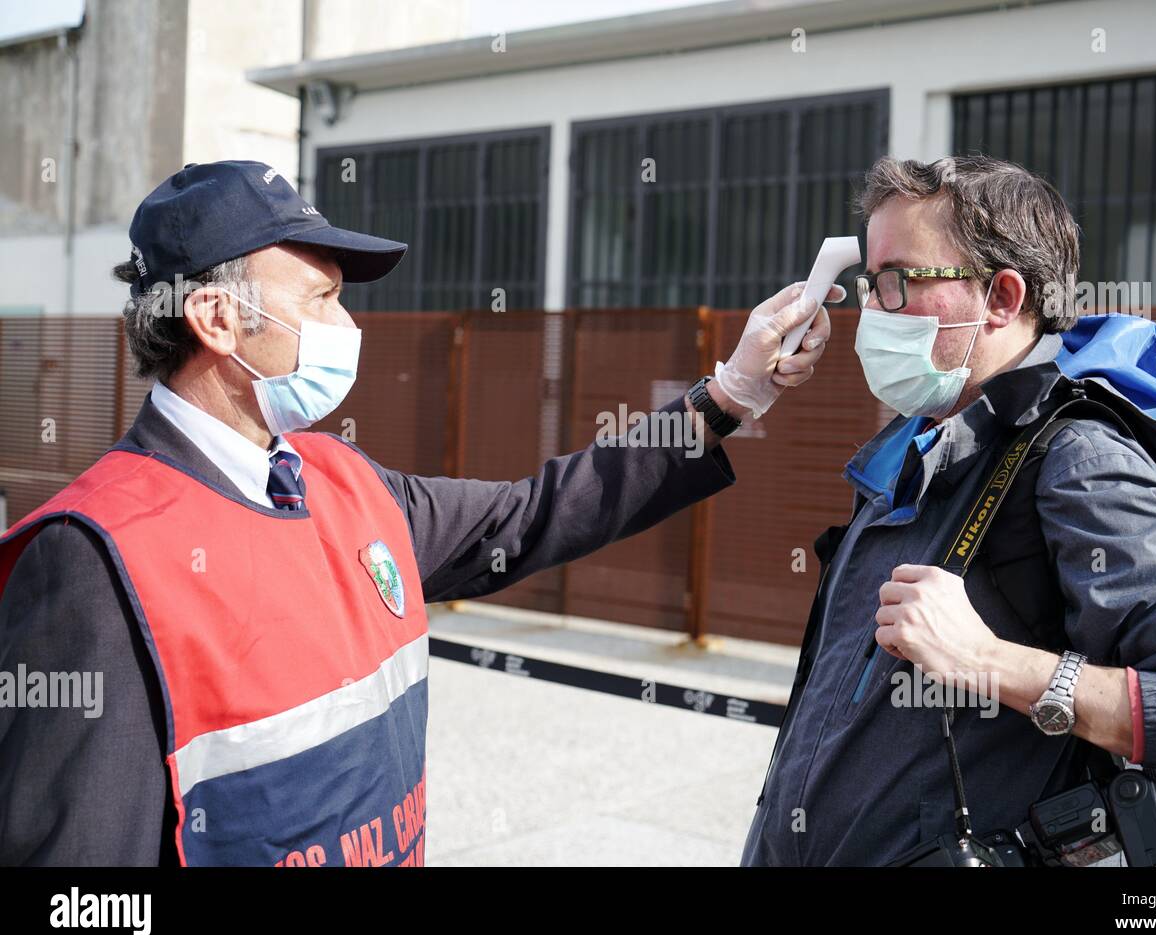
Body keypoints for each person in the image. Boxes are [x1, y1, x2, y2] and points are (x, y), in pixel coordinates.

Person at [0, 160, 838, 865]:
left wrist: (728, 394)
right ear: (217, 318)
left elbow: (534, 514)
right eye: (322, 296)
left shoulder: (343, 483)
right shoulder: (96, 557)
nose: (346, 323)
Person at [741, 154, 1156, 867]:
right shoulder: (914, 448)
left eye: (898, 282)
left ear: (1001, 296)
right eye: (868, 285)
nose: (872, 311)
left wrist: (996, 662)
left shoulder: (1079, 460)